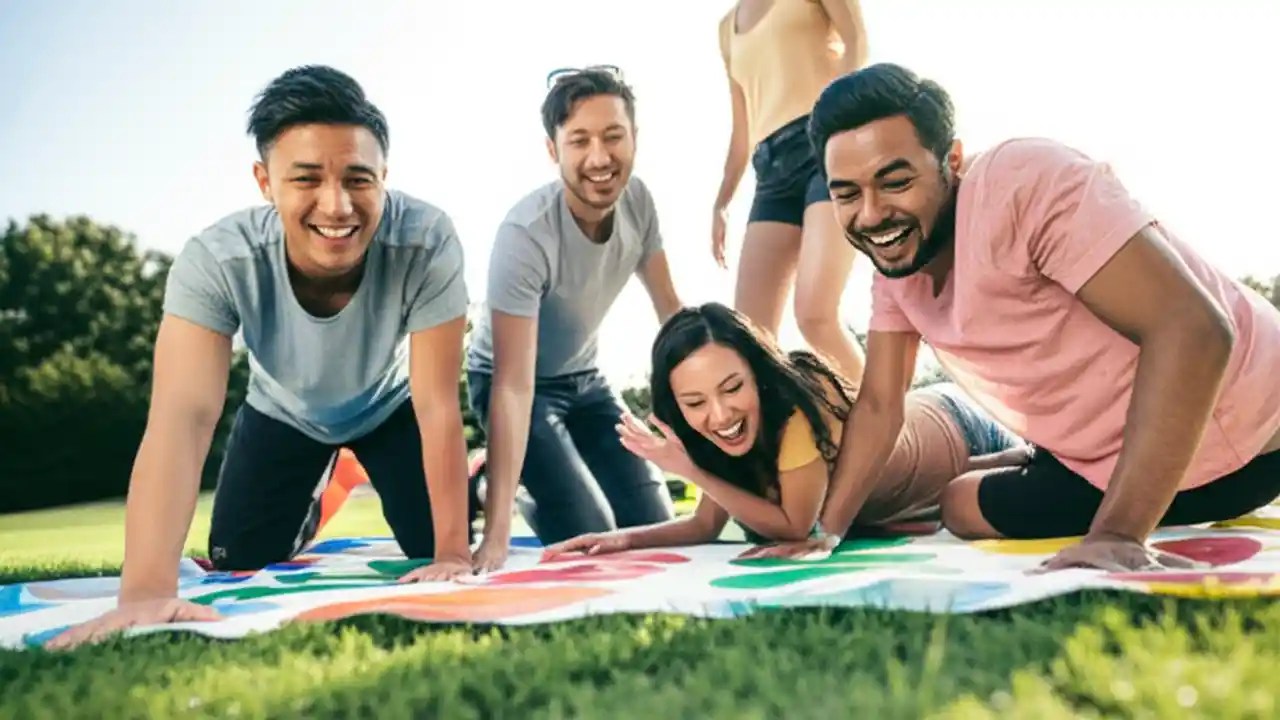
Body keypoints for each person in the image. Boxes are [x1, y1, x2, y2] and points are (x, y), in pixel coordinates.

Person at [761, 62, 1280, 572]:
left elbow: (1195, 330)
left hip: (1243, 438)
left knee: (965, 502)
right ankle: (1049, 458)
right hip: (1106, 448)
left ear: (953, 160)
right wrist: (823, 533)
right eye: (846, 193)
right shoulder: (899, 262)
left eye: (894, 182)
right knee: (958, 501)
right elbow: (878, 404)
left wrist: (1117, 535)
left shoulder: (1022, 182)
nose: (871, 214)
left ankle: (1100, 494)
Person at [49, 65, 478, 649]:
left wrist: (452, 552)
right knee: (238, 558)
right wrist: (146, 592)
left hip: (389, 407)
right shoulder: (218, 261)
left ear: (384, 177)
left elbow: (436, 405)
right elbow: (182, 418)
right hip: (282, 411)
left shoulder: (427, 240)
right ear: (264, 181)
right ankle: (329, 478)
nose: (337, 205)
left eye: (359, 179)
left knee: (434, 545)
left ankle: (428, 476)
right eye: (306, 179)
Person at [541, 302, 1030, 558]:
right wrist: (622, 539)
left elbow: (799, 527)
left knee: (1003, 481)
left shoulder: (797, 401)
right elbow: (706, 524)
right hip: (928, 472)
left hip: (962, 424)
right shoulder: (710, 433)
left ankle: (1015, 458)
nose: (718, 415)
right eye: (694, 402)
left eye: (732, 387)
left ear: (758, 372)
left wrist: (688, 469)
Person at [463, 66, 682, 553]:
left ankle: (516, 474)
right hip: (512, 383)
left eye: (613, 137)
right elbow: (515, 385)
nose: (599, 157)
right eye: (579, 141)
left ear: (634, 138)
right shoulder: (526, 235)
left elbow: (673, 315)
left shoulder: (639, 202)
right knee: (590, 533)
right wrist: (496, 535)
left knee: (651, 529)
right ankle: (489, 483)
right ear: (552, 150)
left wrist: (692, 409)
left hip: (587, 381)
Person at [712, 0, 870, 382]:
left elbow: (857, 40)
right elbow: (742, 129)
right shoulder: (726, 27)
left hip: (823, 144)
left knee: (815, 314)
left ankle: (890, 420)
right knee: (750, 339)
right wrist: (722, 202)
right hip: (770, 169)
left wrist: (837, 121)